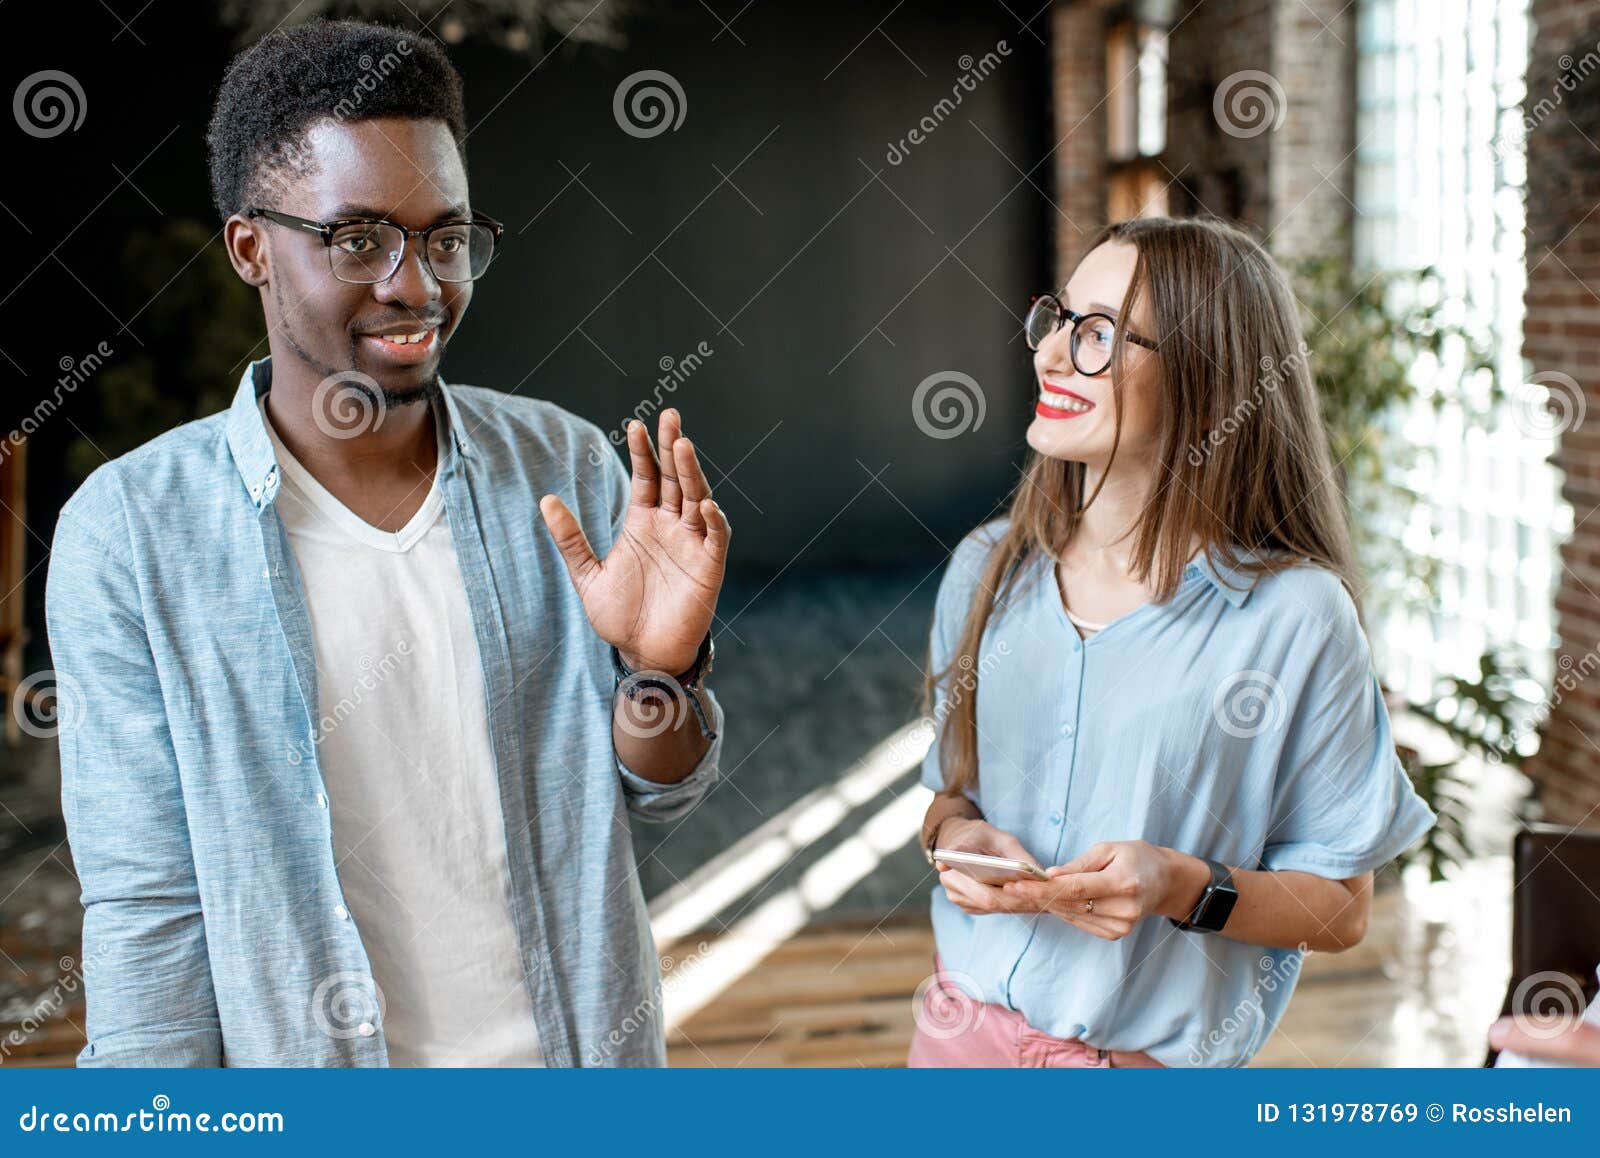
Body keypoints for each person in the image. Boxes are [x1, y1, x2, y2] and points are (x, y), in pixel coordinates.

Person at [46, 19, 730, 1067]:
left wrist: (660, 675)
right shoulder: (134, 535)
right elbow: (149, 910)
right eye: (358, 239)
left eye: (444, 238)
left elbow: (660, 789)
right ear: (250, 249)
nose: (416, 284)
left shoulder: (566, 467)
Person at [909, 215, 1435, 1068]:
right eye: (1060, 320)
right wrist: (954, 838)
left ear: (1205, 373)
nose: (1049, 355)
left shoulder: (1296, 616)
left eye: (1100, 335)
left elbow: (1342, 910)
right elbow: (948, 798)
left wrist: (1179, 886)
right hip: (953, 1048)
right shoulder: (984, 571)